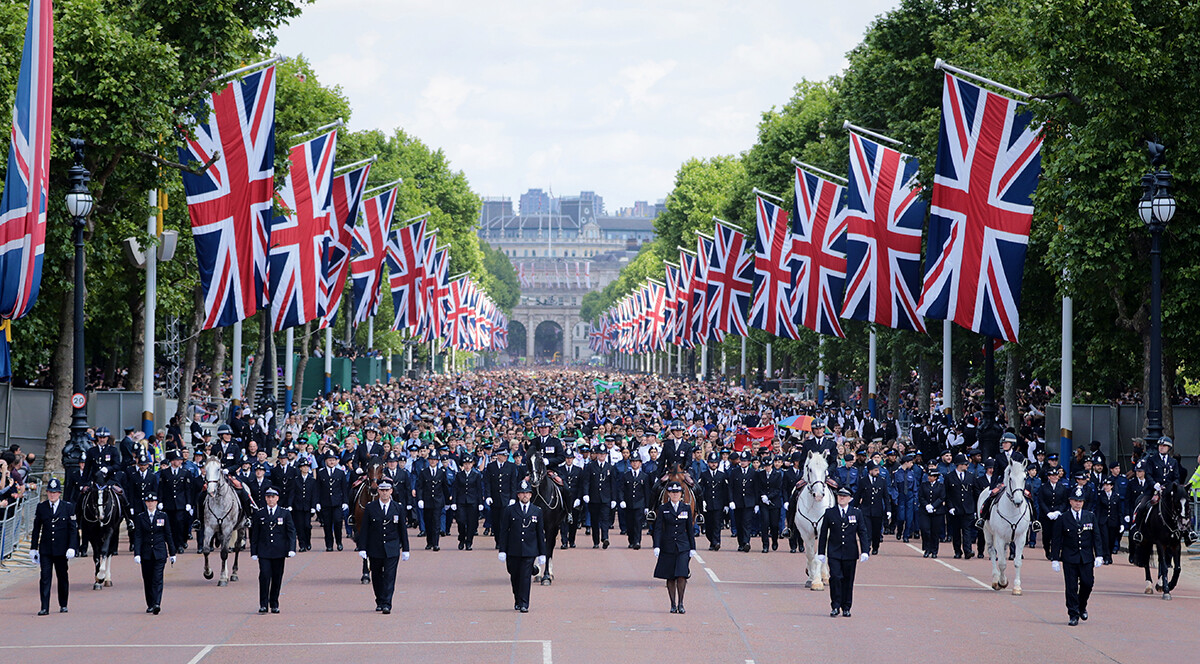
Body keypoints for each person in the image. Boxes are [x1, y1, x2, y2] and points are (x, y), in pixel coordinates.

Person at [1050, 486, 1105, 626]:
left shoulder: (1090, 516)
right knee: (1071, 587)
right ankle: (1073, 614)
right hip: (1069, 557)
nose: (1077, 503)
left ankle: (1082, 606)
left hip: (1086, 557)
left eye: (1080, 501)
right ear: (1070, 501)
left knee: (1088, 583)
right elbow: (1056, 540)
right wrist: (1055, 558)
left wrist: (1099, 554)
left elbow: (1096, 537)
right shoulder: (1063, 518)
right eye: (1075, 500)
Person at [356, 480, 410, 614]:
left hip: (392, 547)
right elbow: (365, 529)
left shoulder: (398, 507)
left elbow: (402, 529)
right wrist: (362, 547)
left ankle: (387, 603)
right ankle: (379, 600)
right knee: (377, 575)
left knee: (390, 576)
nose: (385, 493)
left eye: (387, 490)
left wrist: (406, 549)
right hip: (375, 547)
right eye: (382, 490)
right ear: (378, 491)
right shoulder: (370, 507)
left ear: (391, 491)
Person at [817, 487, 871, 618]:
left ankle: (846, 607)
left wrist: (865, 551)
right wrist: (821, 552)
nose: (842, 498)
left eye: (845, 496)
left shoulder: (856, 513)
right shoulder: (830, 513)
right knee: (835, 577)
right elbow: (824, 533)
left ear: (850, 499)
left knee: (848, 580)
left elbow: (862, 532)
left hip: (850, 552)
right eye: (840, 496)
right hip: (834, 552)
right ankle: (835, 606)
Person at [496, 480, 546, 613]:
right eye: (522, 493)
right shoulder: (510, 510)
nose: (525, 495)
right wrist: (502, 550)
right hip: (513, 549)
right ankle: (517, 600)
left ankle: (524, 603)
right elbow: (504, 531)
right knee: (515, 576)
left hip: (529, 550)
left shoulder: (537, 511)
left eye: (527, 493)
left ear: (530, 495)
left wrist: (542, 553)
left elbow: (540, 533)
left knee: (525, 577)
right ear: (518, 495)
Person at [30, 478, 78, 615]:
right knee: (45, 577)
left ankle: (63, 604)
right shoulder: (42, 507)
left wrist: (72, 547)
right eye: (50, 492)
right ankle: (44, 607)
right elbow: (36, 529)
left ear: (59, 493)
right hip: (46, 549)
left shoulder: (68, 507)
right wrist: (33, 548)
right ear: (47, 492)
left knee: (62, 577)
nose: (52, 495)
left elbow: (72, 529)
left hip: (61, 549)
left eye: (55, 492)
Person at [652, 481, 697, 614]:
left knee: (682, 575)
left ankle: (681, 603)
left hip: (683, 546)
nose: (675, 495)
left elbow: (690, 528)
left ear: (681, 494)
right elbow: (658, 528)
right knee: (670, 576)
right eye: (672, 492)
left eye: (677, 492)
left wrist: (692, 547)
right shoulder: (663, 508)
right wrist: (657, 545)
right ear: (669, 494)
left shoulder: (686, 508)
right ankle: (672, 604)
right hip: (668, 546)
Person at [250, 487, 296, 614]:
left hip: (279, 551)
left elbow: (291, 532)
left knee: (277, 578)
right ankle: (263, 604)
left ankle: (274, 603)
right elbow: (255, 534)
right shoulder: (260, 513)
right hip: (264, 551)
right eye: (268, 497)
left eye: (273, 497)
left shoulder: (284, 513)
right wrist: (253, 551)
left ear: (277, 498)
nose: (271, 499)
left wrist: (292, 548)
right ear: (265, 498)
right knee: (264, 576)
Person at [132, 492, 177, 614]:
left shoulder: (163, 516)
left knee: (157, 578)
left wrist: (172, 552)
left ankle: (157, 603)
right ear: (146, 503)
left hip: (159, 552)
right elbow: (138, 536)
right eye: (148, 502)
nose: (150, 504)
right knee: (148, 579)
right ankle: (150, 603)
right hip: (146, 553)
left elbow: (168, 535)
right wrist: (137, 553)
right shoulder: (141, 517)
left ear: (156, 503)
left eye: (152, 502)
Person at [157, 450, 194, 552]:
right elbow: (161, 488)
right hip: (169, 504)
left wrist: (188, 503)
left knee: (180, 524)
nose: (179, 462)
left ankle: (180, 544)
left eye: (180, 460)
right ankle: (172, 545)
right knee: (170, 525)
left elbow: (188, 489)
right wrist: (160, 501)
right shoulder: (164, 473)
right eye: (177, 460)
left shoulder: (185, 473)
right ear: (172, 461)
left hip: (181, 503)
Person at [853, 459, 890, 555]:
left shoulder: (882, 481)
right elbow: (858, 495)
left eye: (878, 470)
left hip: (878, 510)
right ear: (870, 471)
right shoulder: (863, 481)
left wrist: (888, 510)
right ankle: (867, 547)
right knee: (866, 530)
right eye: (875, 470)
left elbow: (886, 496)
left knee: (876, 531)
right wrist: (854, 507)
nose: (878, 472)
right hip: (865, 509)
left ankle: (875, 546)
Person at [583, 444, 617, 549]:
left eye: (603, 454)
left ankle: (605, 538)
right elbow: (586, 481)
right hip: (594, 497)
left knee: (605, 519)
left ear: (606, 455)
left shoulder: (610, 467)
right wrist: (585, 494)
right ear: (597, 454)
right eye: (600, 453)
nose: (602, 455)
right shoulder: (590, 466)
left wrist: (614, 499)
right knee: (594, 520)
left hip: (606, 498)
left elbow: (613, 484)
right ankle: (596, 541)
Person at [416, 453, 450, 551]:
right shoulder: (424, 472)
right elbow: (420, 487)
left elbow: (445, 487)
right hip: (427, 501)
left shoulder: (441, 472)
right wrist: (420, 499)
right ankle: (429, 542)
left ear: (437, 461)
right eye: (431, 459)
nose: (432, 461)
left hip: (438, 501)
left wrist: (447, 501)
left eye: (434, 460)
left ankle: (436, 543)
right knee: (428, 522)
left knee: (436, 522)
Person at [315, 451, 348, 551]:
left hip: (337, 503)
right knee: (327, 525)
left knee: (338, 522)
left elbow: (344, 489)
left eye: (333, 460)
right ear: (326, 461)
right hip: (325, 503)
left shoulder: (340, 473)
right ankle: (329, 544)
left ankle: (339, 542)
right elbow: (317, 489)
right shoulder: (321, 473)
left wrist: (345, 502)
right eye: (330, 460)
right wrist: (317, 502)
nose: (332, 462)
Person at [619, 455, 653, 549]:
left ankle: (637, 541)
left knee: (638, 524)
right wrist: (622, 500)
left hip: (640, 503)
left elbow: (647, 492)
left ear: (640, 463)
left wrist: (647, 506)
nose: (635, 463)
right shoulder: (626, 475)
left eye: (637, 461)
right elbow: (621, 489)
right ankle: (631, 540)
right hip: (628, 503)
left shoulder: (645, 476)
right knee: (630, 523)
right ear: (630, 463)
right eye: (633, 461)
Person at [697, 452, 729, 551]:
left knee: (717, 524)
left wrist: (726, 504)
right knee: (708, 525)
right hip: (708, 504)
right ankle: (712, 541)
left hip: (718, 504)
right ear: (708, 463)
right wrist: (702, 501)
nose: (713, 464)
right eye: (711, 462)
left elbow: (726, 491)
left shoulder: (722, 475)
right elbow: (700, 489)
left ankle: (716, 542)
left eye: (715, 462)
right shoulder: (704, 474)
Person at [452, 455, 484, 550]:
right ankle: (462, 538)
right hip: (461, 501)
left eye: (469, 464)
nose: (467, 466)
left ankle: (469, 542)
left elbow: (479, 490)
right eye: (465, 464)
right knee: (461, 521)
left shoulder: (476, 475)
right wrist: (454, 501)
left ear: (472, 464)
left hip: (473, 501)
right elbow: (455, 489)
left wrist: (480, 503)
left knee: (472, 523)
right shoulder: (459, 475)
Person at [288, 458, 317, 552]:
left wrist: (313, 506)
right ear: (300, 468)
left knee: (307, 526)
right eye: (303, 467)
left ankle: (308, 541)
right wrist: (290, 504)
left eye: (307, 466)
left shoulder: (312, 480)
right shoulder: (296, 480)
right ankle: (302, 544)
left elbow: (314, 494)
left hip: (308, 507)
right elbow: (292, 493)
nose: (305, 468)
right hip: (298, 506)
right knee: (299, 526)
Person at [918, 467, 945, 558]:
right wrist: (926, 505)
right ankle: (927, 548)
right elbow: (921, 496)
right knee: (925, 530)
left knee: (935, 532)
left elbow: (941, 497)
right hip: (925, 511)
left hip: (937, 511)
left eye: (932, 476)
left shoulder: (940, 486)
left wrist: (933, 505)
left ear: (936, 477)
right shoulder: (924, 485)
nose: (929, 477)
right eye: (929, 475)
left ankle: (934, 550)